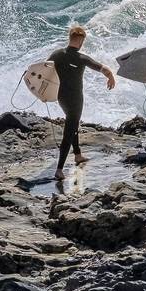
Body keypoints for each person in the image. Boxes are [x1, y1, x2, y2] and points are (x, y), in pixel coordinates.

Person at [48, 24, 115, 180]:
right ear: (81, 41)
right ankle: (59, 169)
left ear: (70, 38)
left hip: (61, 97)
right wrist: (110, 75)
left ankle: (78, 155)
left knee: (73, 122)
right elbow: (101, 67)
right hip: (75, 98)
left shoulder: (57, 54)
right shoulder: (80, 58)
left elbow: (43, 69)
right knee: (70, 129)